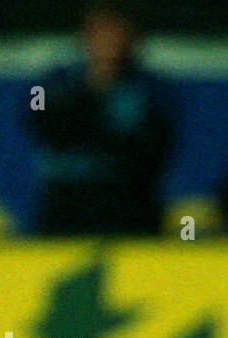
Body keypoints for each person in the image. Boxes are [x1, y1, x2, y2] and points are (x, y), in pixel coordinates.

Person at [25, 1, 174, 236]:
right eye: (99, 32)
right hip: (65, 203)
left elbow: (151, 150)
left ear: (131, 38)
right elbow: (39, 118)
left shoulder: (152, 88)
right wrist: (91, 94)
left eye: (115, 32)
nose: (106, 41)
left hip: (127, 204)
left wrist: (97, 130)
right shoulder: (52, 82)